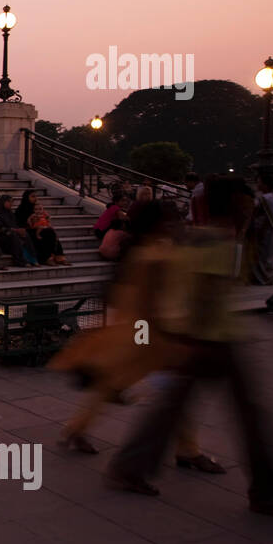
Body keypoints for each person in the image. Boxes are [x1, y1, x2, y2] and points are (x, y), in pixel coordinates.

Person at [106, 176, 273, 521]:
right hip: (211, 339)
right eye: (246, 207)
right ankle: (272, 492)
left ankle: (131, 466)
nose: (250, 213)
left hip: (203, 336)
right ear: (235, 207)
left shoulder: (201, 237)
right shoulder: (218, 242)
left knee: (174, 409)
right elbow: (204, 294)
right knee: (249, 416)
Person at [53, 201, 221, 470]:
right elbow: (142, 299)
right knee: (170, 390)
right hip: (148, 333)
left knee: (115, 386)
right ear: (155, 225)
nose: (174, 225)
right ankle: (185, 451)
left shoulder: (154, 249)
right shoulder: (149, 255)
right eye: (168, 221)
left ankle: (76, 430)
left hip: (144, 332)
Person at [248, 173, 273, 285]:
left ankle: (262, 279)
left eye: (259, 182)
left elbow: (265, 217)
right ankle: (263, 278)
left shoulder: (266, 198)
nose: (257, 185)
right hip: (271, 231)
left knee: (261, 257)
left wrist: (260, 231)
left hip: (266, 231)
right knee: (265, 256)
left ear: (265, 185)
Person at [0, 195, 38, 267]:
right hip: (1, 239)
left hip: (12, 235)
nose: (11, 204)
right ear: (3, 202)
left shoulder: (10, 213)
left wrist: (20, 230)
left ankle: (32, 259)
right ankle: (20, 261)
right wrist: (14, 230)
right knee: (13, 235)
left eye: (12, 202)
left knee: (25, 234)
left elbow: (14, 225)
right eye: (9, 202)